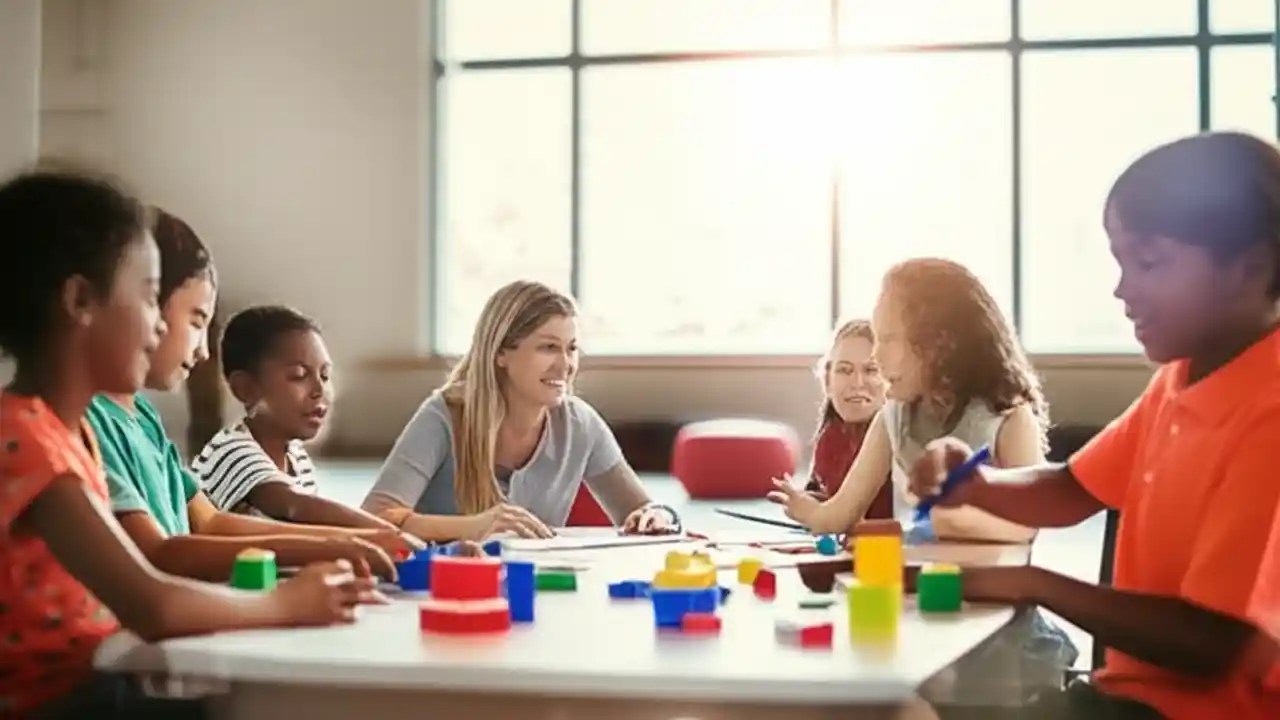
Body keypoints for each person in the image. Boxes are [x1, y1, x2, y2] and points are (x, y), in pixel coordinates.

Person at [910, 131, 1280, 718]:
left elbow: (1212, 644)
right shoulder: (1180, 380)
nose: (1123, 289)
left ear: (1250, 267)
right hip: (1124, 699)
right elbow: (1071, 489)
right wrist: (977, 484)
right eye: (1120, 262)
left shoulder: (1270, 411)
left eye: (1149, 263)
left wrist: (1038, 585)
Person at [0, 171, 376, 719]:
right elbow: (152, 602)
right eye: (151, 299)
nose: (158, 328)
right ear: (80, 299)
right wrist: (287, 602)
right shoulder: (26, 439)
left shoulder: (63, 432)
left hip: (110, 677)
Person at [86, 211, 412, 583]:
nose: (205, 352)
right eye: (196, 321)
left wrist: (355, 541)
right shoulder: (90, 422)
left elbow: (208, 522)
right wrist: (336, 547)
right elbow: (159, 555)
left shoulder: (142, 417)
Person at [361, 280, 677, 541]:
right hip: (448, 589)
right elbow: (373, 519)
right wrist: (474, 527)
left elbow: (643, 510)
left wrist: (656, 516)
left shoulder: (580, 424)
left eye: (571, 348)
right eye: (548, 347)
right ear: (501, 353)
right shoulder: (445, 416)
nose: (565, 365)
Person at [792, 318, 892, 517]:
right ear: (827, 382)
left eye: (871, 370)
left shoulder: (902, 439)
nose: (857, 383)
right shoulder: (829, 439)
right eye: (845, 370)